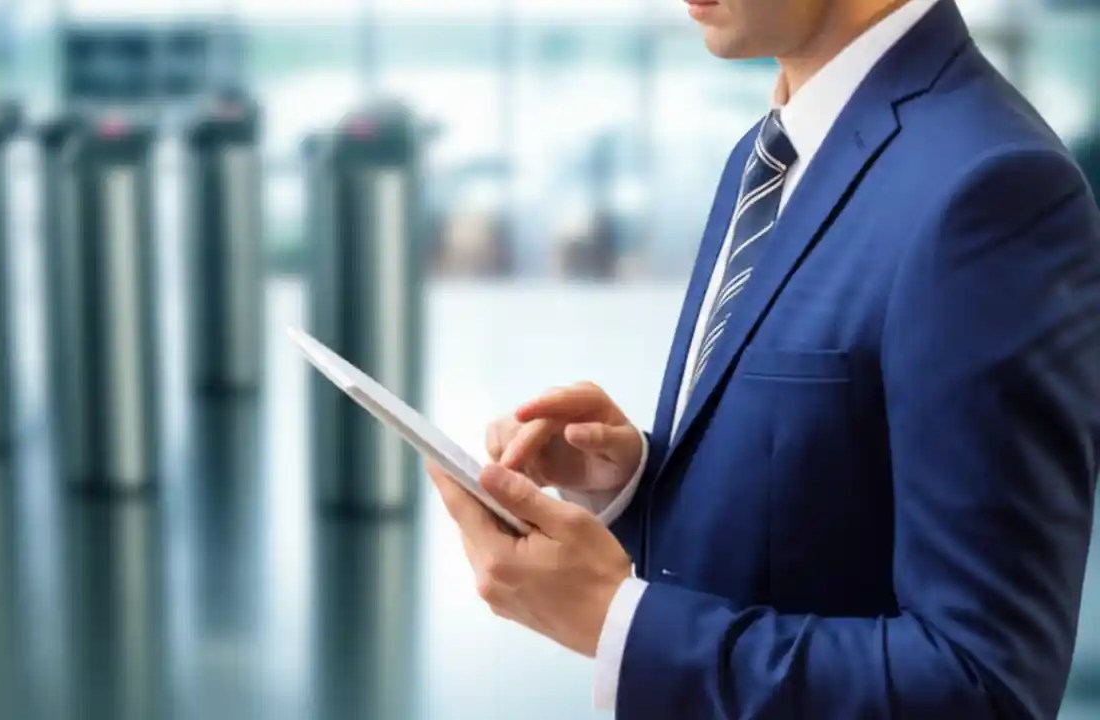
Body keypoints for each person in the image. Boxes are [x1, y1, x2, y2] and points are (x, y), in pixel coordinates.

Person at [426, 0, 1100, 717]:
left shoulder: (995, 188)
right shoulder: (770, 149)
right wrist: (636, 485)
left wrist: (614, 621)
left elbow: (982, 687)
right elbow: (832, 503)